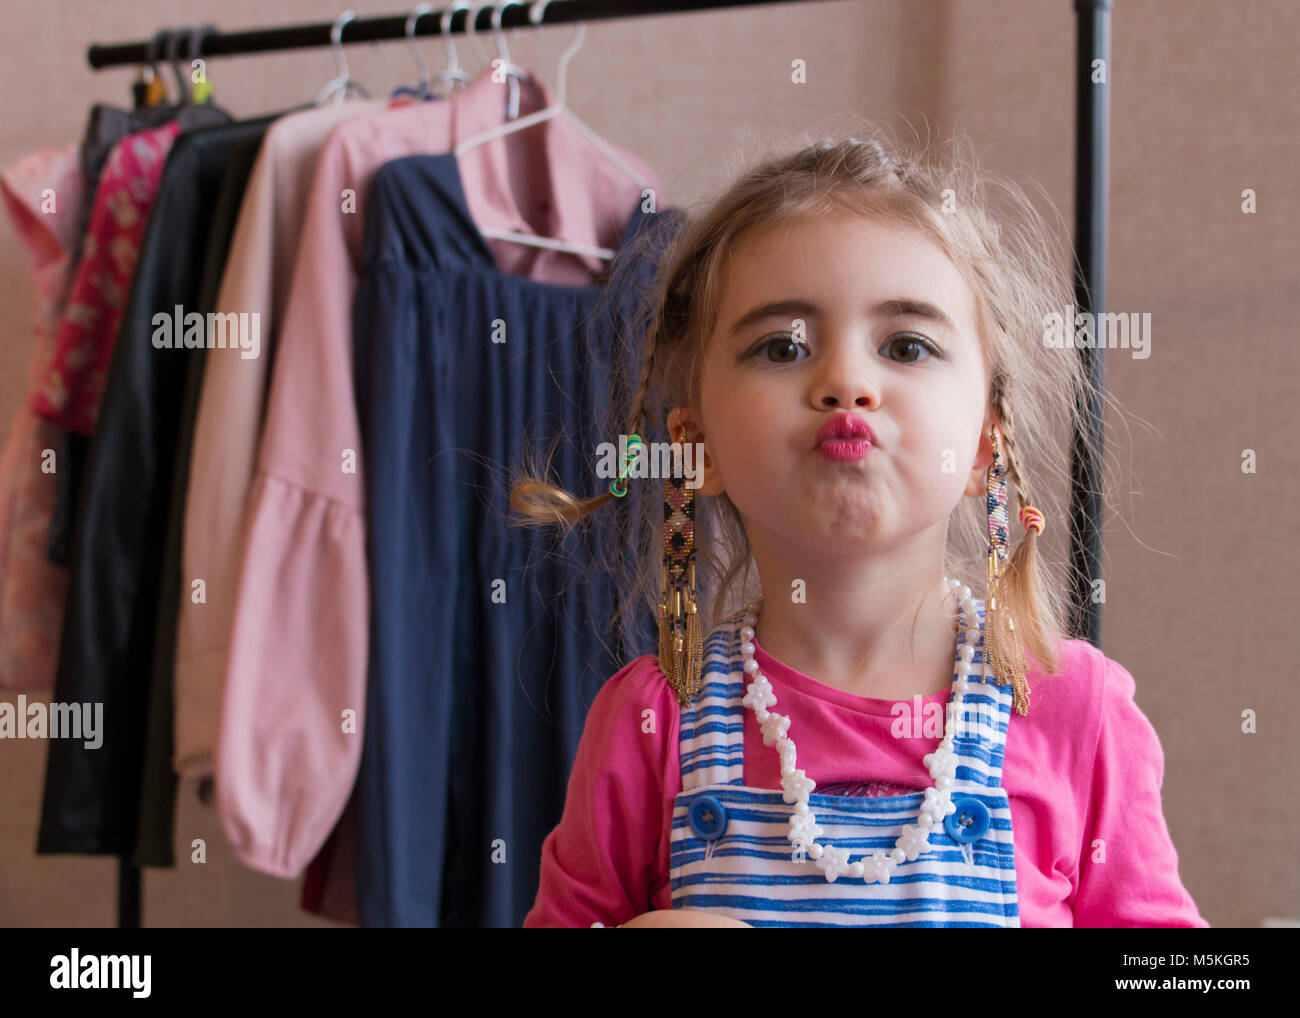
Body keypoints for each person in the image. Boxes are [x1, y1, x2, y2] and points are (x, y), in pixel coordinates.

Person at [512, 133, 1208, 928]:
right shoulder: (651, 721)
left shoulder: (1072, 710)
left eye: (906, 345)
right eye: (783, 346)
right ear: (693, 446)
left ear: (987, 444)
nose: (846, 380)